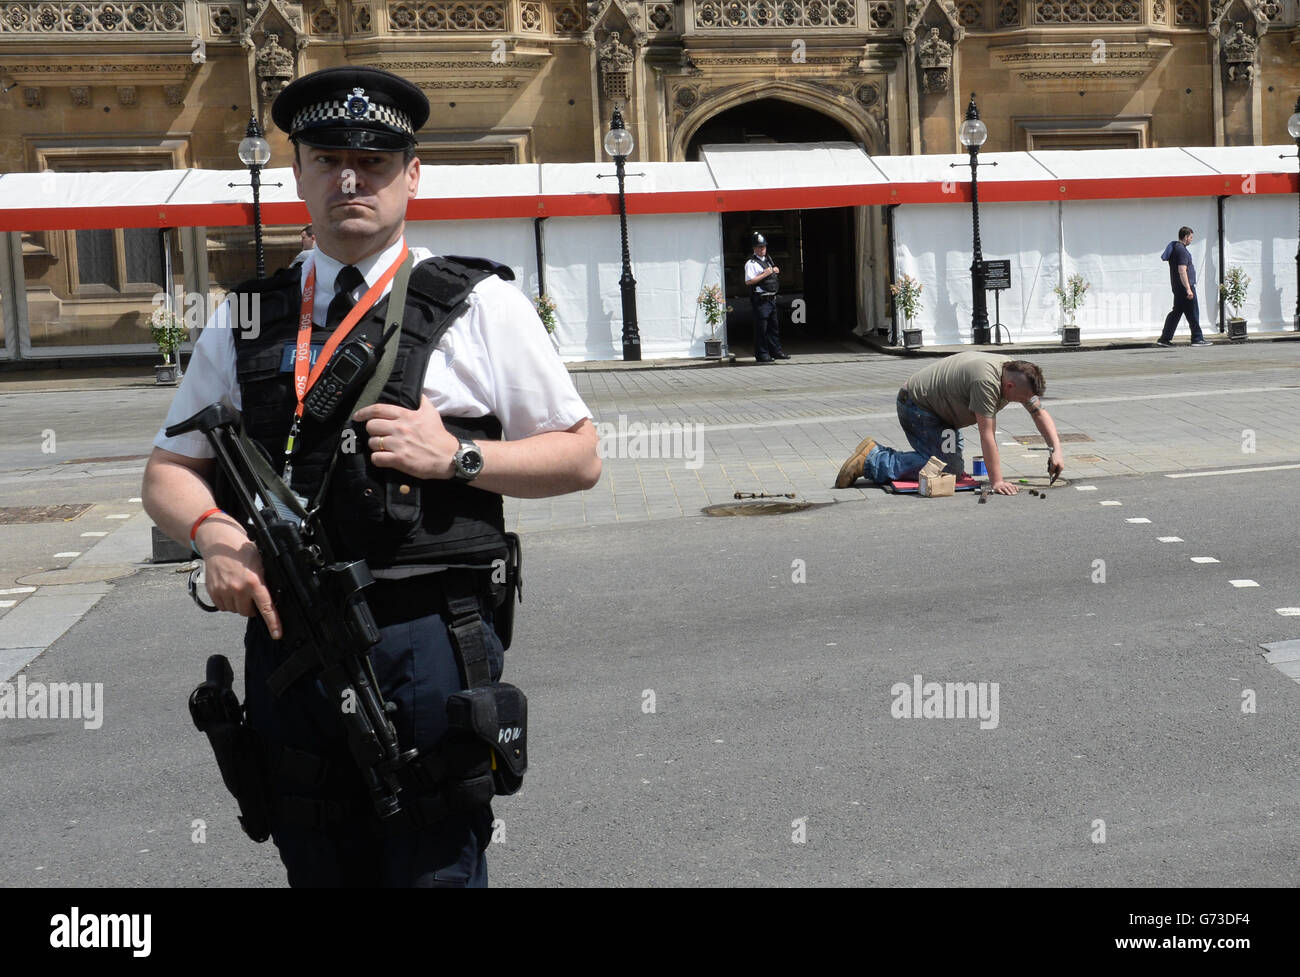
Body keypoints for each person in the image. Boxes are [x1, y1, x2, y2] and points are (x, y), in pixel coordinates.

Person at [141, 66, 601, 887]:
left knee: (435, 869)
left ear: (411, 175)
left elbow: (579, 454)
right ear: (299, 176)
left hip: (428, 640)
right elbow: (170, 470)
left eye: (375, 160)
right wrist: (214, 533)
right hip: (289, 649)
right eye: (327, 159)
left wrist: (458, 455)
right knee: (316, 865)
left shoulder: (479, 304)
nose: (350, 178)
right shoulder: (248, 315)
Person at [834, 352, 1064, 496]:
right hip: (917, 406)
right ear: (1010, 388)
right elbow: (987, 435)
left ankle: (876, 458)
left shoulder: (1014, 372)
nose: (1026, 403)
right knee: (943, 468)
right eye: (1023, 399)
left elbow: (1039, 413)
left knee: (951, 468)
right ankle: (873, 460)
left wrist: (1056, 452)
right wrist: (997, 481)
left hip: (939, 412)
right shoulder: (987, 382)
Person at [1157, 226, 1213, 348]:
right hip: (1184, 288)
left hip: (1178, 287)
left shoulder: (1176, 248)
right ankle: (1197, 339)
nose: (1191, 240)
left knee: (1176, 313)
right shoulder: (1181, 250)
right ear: (1186, 237)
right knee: (1193, 312)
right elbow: (1182, 270)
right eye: (1191, 237)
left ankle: (1164, 339)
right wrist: (1188, 288)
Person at [744, 232, 789, 362]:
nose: (762, 249)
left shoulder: (768, 259)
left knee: (773, 327)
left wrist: (775, 270)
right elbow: (749, 281)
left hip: (771, 299)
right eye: (759, 247)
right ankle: (762, 354)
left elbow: (771, 274)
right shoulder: (751, 263)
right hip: (761, 300)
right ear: (754, 248)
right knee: (761, 329)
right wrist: (765, 274)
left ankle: (776, 351)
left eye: (764, 247)